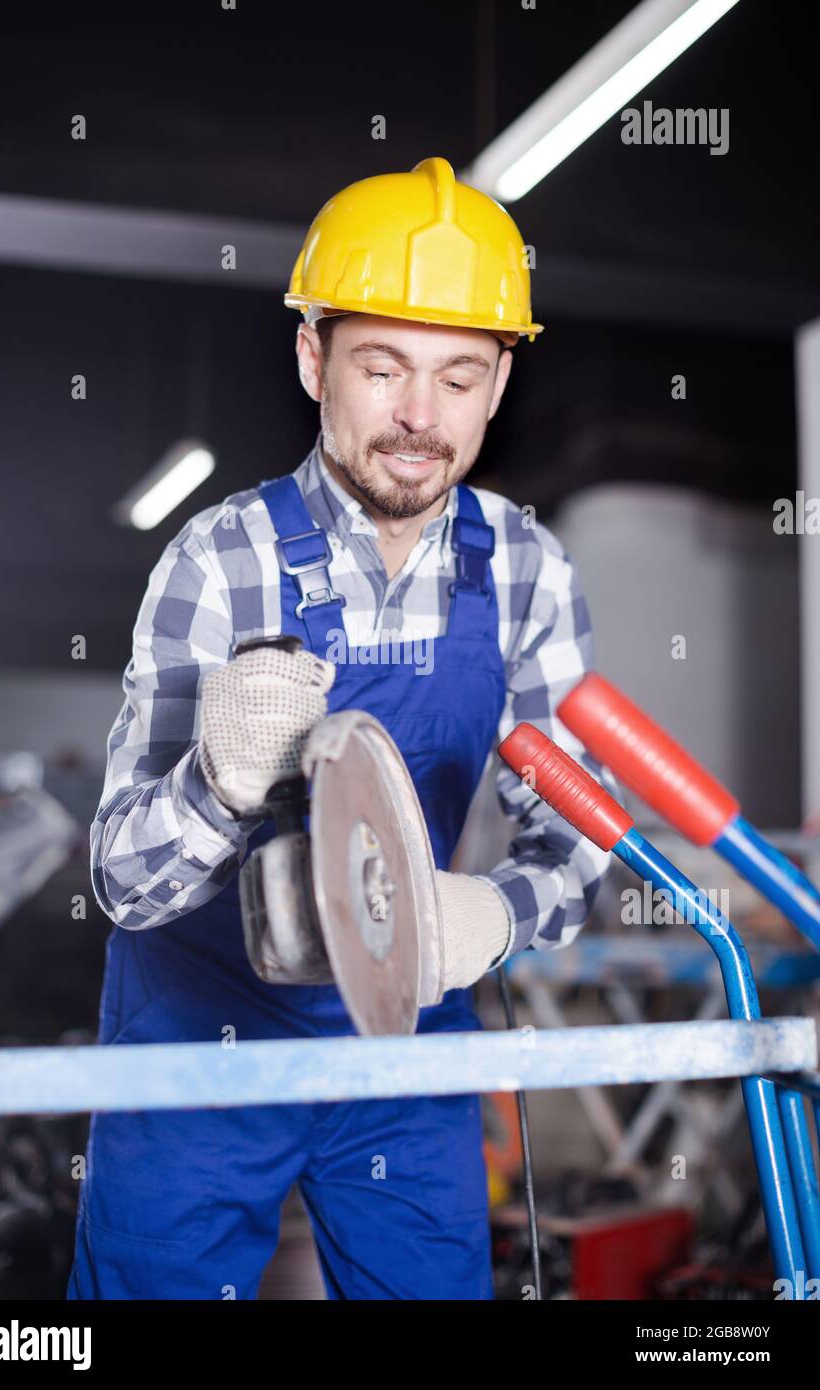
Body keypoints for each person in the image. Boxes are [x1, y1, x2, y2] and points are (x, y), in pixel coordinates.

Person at [68, 156, 612, 1301]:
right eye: (383, 366)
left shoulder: (525, 572)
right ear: (313, 357)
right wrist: (216, 786)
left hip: (405, 1039)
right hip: (201, 1039)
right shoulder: (219, 562)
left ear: (500, 383)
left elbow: (580, 841)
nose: (422, 415)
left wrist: (495, 916)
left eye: (461, 375)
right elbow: (121, 883)